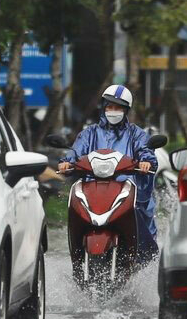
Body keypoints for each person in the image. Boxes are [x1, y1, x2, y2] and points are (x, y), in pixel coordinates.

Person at [57, 84, 158, 259]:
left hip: (125, 189)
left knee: (139, 214)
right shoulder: (89, 133)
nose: (112, 111)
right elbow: (76, 151)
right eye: (109, 106)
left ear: (126, 110)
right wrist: (66, 162)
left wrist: (146, 162)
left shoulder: (137, 134)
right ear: (103, 107)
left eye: (117, 107)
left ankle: (141, 256)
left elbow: (145, 151)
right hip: (93, 188)